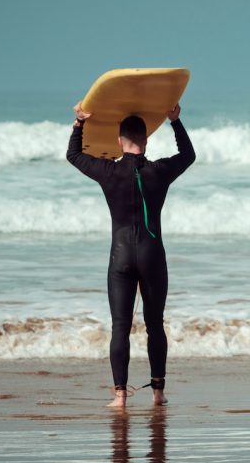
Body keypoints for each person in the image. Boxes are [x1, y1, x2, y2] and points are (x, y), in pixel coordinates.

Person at [67, 102, 195, 408]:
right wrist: (175, 122)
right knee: (155, 325)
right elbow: (188, 155)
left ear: (119, 141)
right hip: (152, 256)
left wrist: (79, 124)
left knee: (120, 327)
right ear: (146, 140)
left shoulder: (108, 172)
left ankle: (121, 396)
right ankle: (158, 393)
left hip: (121, 257)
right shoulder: (159, 171)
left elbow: (74, 155)